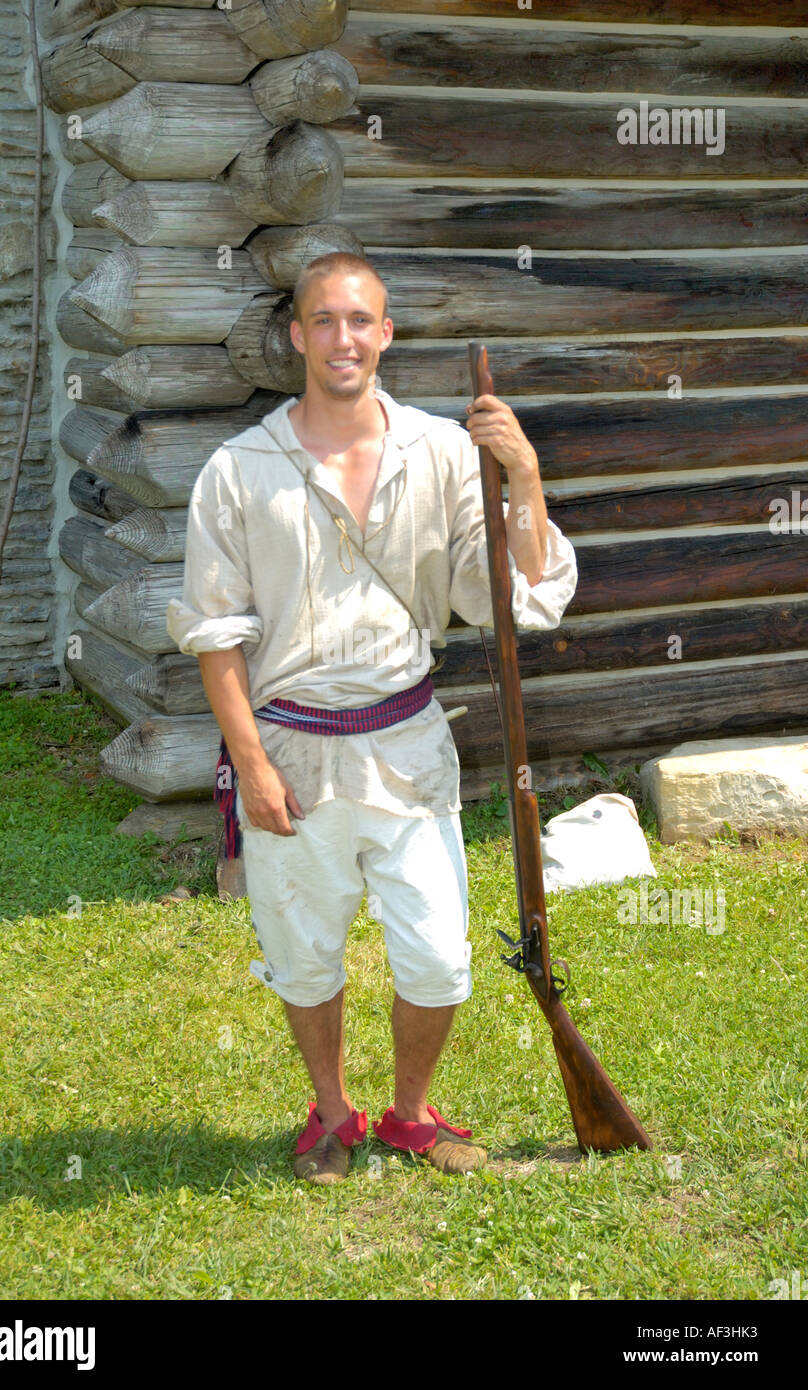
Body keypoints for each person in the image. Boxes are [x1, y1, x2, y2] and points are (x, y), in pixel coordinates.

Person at [166, 252, 577, 1183]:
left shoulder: (439, 452)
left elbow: (510, 597)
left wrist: (525, 478)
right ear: (298, 335)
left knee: (436, 956)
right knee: (305, 958)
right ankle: (332, 1112)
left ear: (385, 334)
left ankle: (406, 1113)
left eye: (361, 320)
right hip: (293, 752)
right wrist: (251, 764)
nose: (342, 337)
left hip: (407, 744)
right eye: (324, 320)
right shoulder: (238, 471)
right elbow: (213, 634)